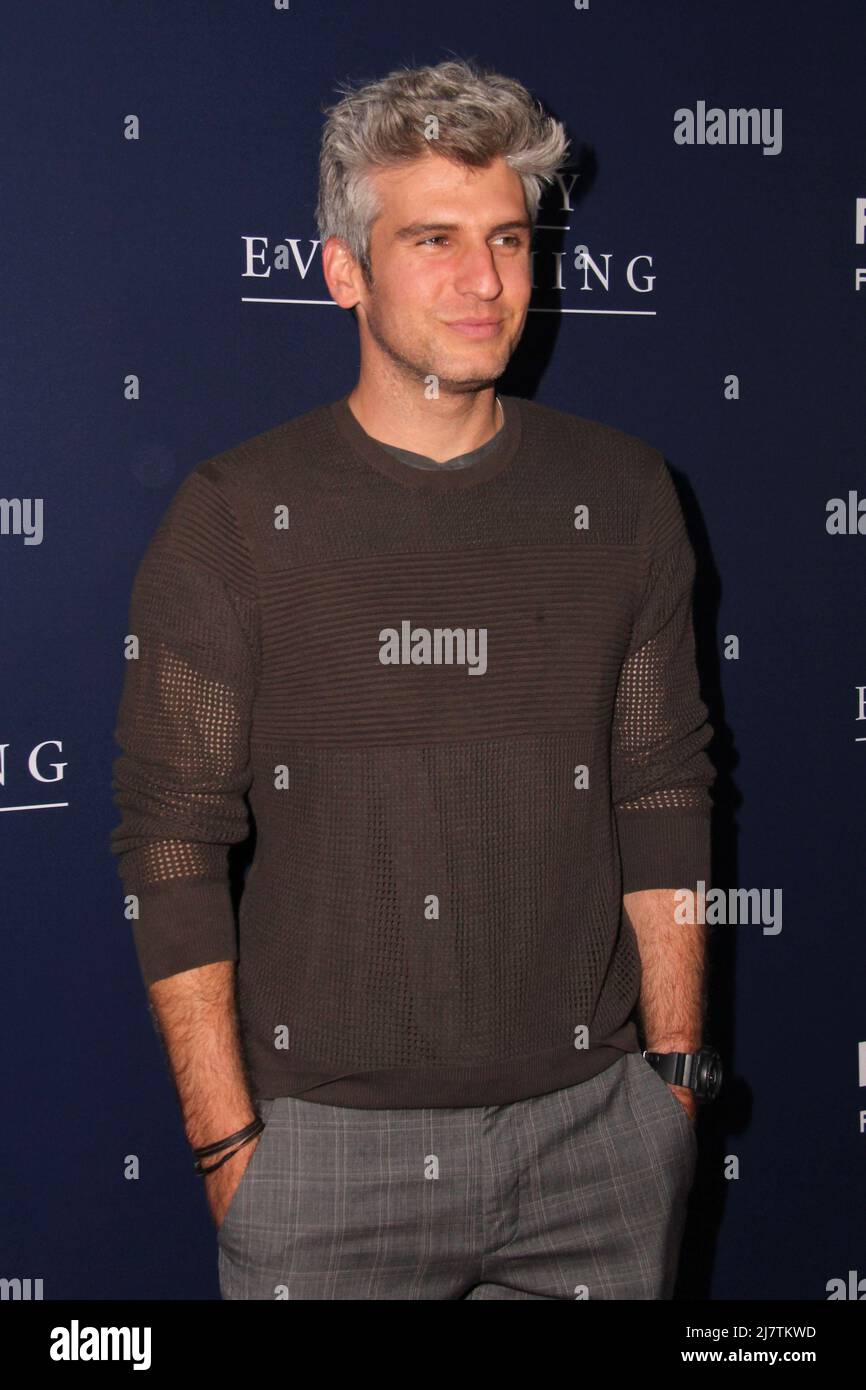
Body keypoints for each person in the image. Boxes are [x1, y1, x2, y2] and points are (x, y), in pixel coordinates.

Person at [110, 57, 718, 1301]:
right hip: (324, 1163)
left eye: (506, 236)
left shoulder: (623, 495)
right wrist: (230, 1149)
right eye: (433, 238)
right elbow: (172, 837)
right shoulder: (234, 518)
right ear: (344, 271)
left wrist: (668, 1083)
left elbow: (660, 784)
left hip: (595, 1141)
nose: (485, 281)